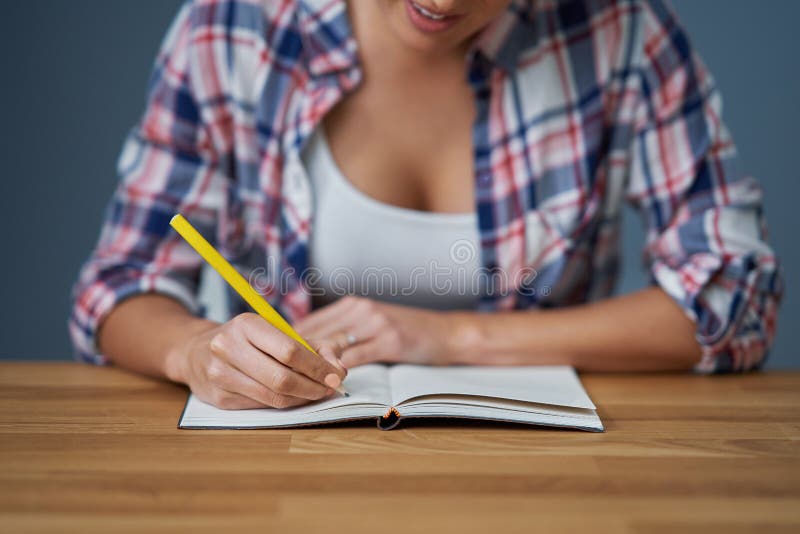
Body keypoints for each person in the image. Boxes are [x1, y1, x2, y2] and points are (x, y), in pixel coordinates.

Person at [70, 0, 782, 410]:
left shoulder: (619, 33)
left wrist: (454, 341)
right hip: (280, 481)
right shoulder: (232, 27)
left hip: (544, 486)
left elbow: (735, 294)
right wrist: (195, 350)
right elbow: (120, 284)